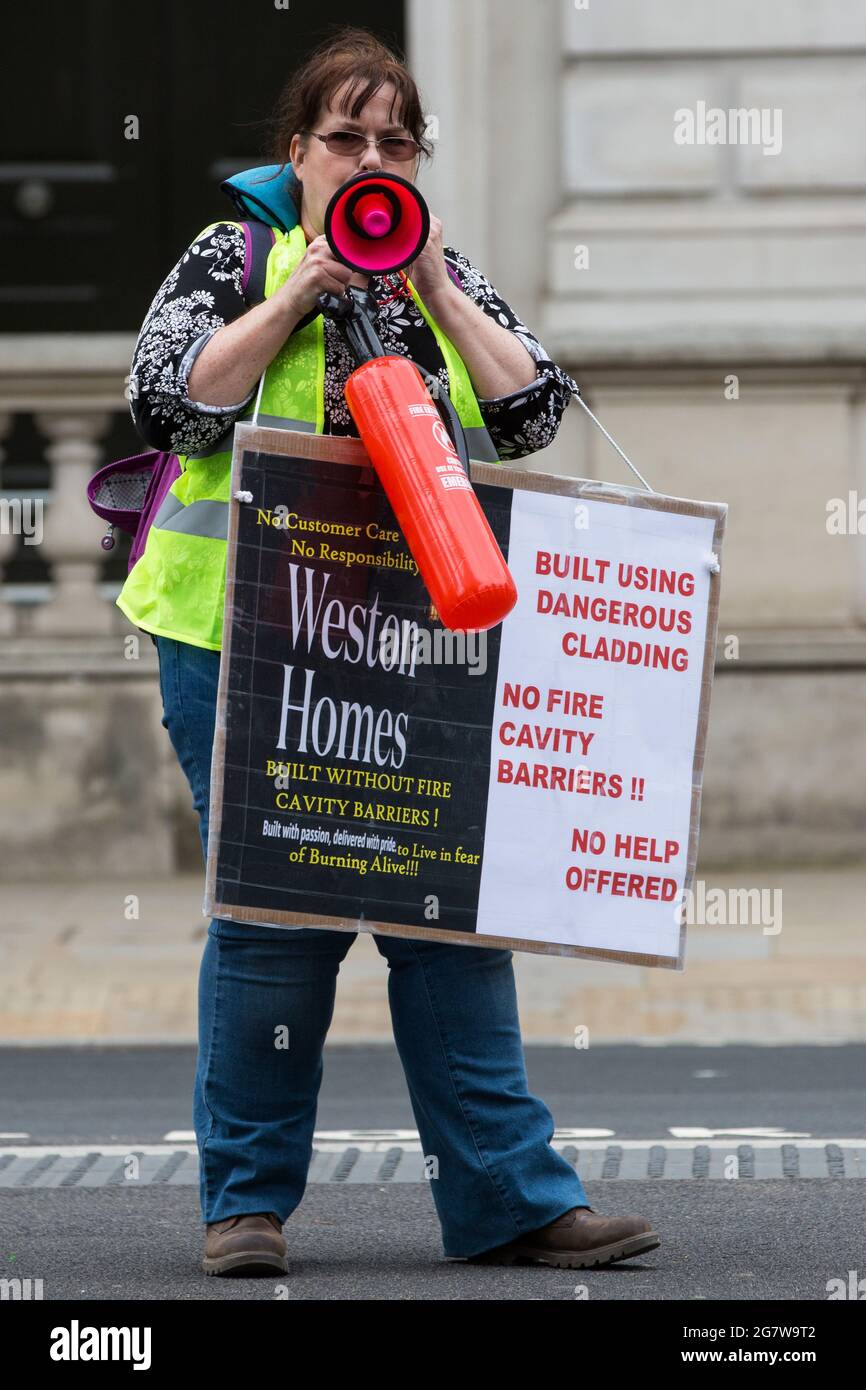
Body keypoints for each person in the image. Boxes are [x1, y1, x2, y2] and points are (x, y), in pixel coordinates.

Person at [117, 25, 660, 1277]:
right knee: (273, 917)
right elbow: (168, 399)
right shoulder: (232, 257)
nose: (371, 156)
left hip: (416, 645)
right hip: (241, 638)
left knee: (450, 921)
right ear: (296, 152)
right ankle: (244, 1207)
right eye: (346, 137)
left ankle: (509, 1200)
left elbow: (528, 410)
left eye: (395, 141)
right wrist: (298, 291)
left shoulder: (437, 273)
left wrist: (437, 290)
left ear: (417, 159)